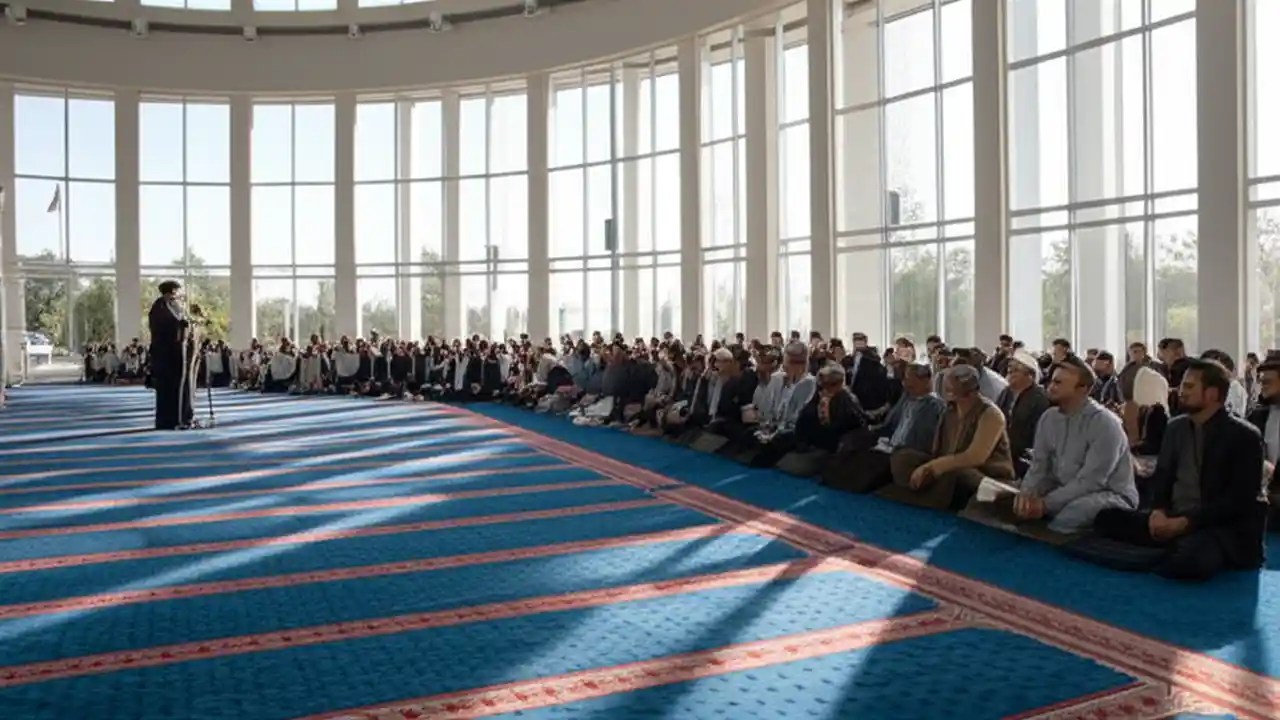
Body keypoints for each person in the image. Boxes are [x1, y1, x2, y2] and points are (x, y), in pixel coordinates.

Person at [1093, 359, 1269, 581]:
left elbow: (1237, 500)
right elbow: (1163, 477)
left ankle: (1171, 546)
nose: (1180, 391)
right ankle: (1169, 543)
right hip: (1174, 515)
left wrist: (1186, 523)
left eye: (1189, 387)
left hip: (1216, 526)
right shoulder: (1176, 427)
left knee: (1191, 561)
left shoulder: (1245, 436)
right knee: (1105, 518)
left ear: (1212, 394)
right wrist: (1158, 511)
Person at [1012, 356, 1139, 534]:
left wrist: (1045, 504)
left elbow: (1092, 482)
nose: (1051, 386)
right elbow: (1039, 467)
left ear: (1083, 389)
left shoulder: (1105, 423)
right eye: (1051, 381)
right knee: (1014, 501)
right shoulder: (1049, 418)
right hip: (1065, 487)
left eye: (1058, 383)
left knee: (1071, 515)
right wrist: (1026, 495)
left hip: (1111, 494)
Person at [879, 364, 1015, 511]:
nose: (952, 397)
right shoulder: (949, 410)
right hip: (945, 464)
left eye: (956, 393)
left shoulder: (991, 414)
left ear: (973, 392)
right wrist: (929, 465)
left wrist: (933, 467)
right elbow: (938, 450)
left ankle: (935, 499)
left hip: (979, 471)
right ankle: (933, 495)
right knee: (903, 457)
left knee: (960, 473)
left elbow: (975, 457)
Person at [147, 280, 194, 430]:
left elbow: (182, 322)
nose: (177, 296)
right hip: (165, 356)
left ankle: (182, 416)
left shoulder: (175, 307)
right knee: (167, 388)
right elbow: (164, 328)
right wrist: (180, 325)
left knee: (180, 385)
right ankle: (167, 420)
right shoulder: (159, 308)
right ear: (169, 292)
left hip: (178, 354)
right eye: (175, 292)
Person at [996, 349, 1050, 478]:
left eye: (1015, 371)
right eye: (1009, 370)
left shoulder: (1040, 398)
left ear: (1029, 376)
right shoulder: (1006, 393)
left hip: (1024, 458)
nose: (1010, 373)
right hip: (1003, 453)